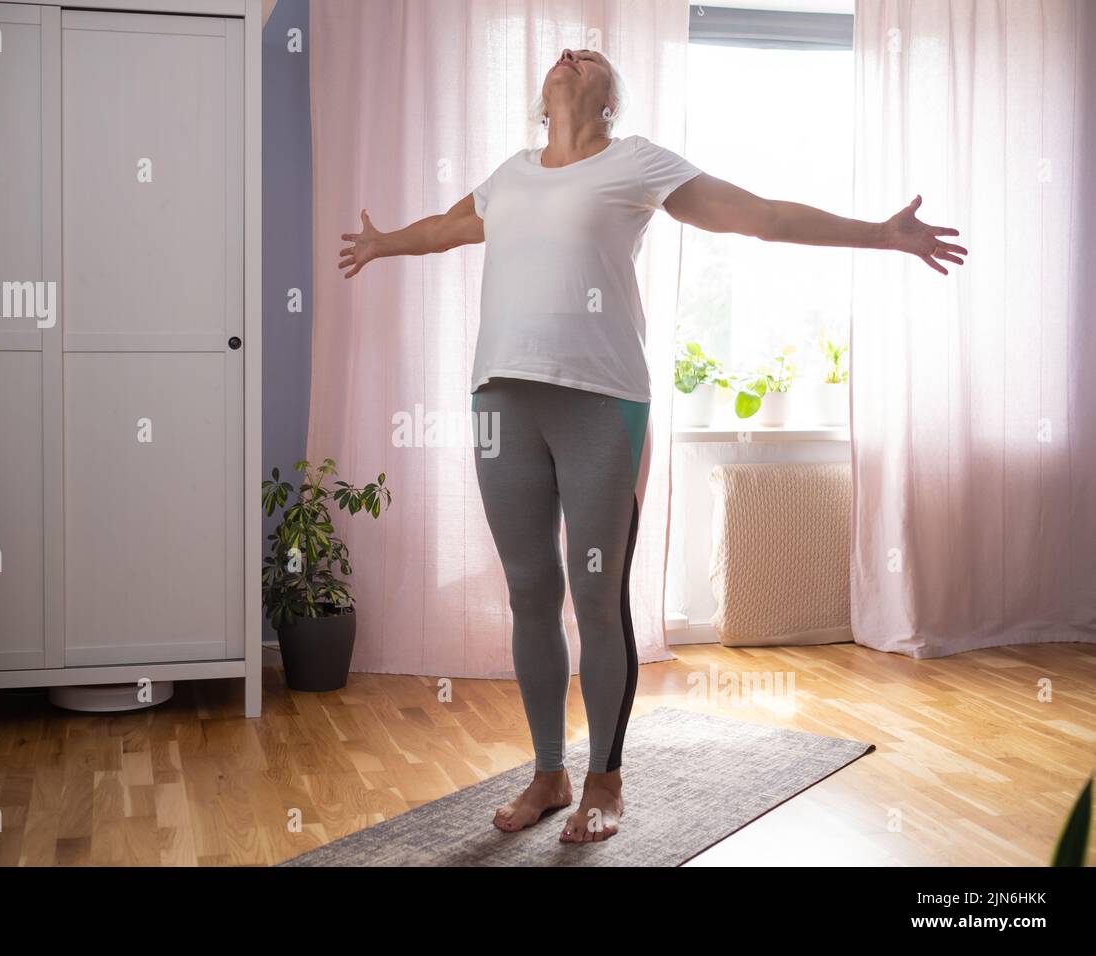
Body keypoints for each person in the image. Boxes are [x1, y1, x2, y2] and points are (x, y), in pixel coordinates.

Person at [338, 47, 966, 844]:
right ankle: (547, 775)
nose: (574, 54)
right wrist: (384, 241)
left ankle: (606, 780)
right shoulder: (510, 175)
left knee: (596, 598)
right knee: (529, 593)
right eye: (566, 53)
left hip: (603, 404)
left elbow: (764, 217)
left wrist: (880, 234)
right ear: (543, 100)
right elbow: (448, 228)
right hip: (501, 397)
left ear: (609, 102)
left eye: (593, 57)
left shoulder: (636, 164)